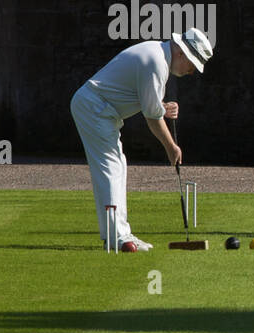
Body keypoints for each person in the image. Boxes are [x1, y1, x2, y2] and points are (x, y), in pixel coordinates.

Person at [70, 28, 213, 250]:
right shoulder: (155, 62)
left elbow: (147, 102)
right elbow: (151, 117)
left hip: (100, 109)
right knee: (111, 168)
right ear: (182, 53)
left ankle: (120, 234)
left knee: (118, 167)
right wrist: (171, 147)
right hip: (94, 108)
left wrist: (162, 108)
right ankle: (117, 238)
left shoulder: (158, 56)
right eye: (193, 64)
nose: (191, 71)